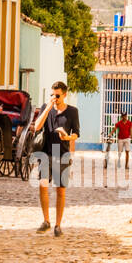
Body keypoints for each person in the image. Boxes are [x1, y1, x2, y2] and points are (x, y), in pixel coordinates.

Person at [31, 80, 79, 238]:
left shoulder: (72, 111)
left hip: (62, 152)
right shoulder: (46, 107)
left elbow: (76, 134)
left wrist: (67, 137)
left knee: (60, 190)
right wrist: (48, 108)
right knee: (43, 186)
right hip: (45, 152)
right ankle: (46, 220)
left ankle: (58, 225)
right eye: (52, 94)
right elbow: (37, 126)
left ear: (65, 95)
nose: (55, 97)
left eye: (57, 95)